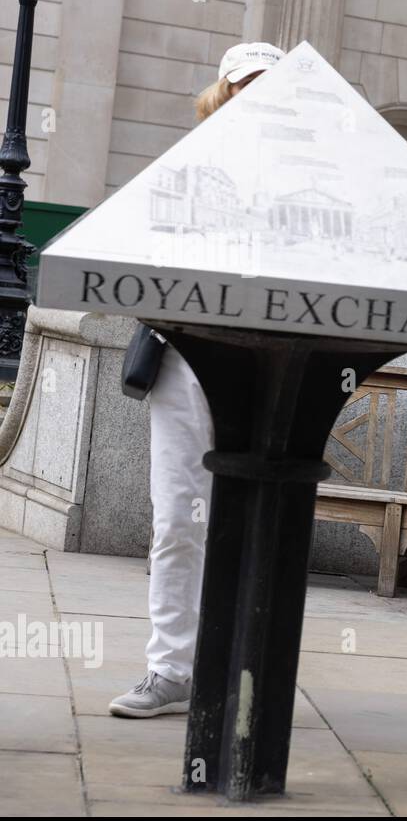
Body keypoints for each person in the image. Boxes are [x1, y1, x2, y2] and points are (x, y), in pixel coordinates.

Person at [110, 42, 285, 718]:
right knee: (177, 517)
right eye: (248, 89)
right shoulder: (186, 171)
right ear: (226, 94)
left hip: (262, 367)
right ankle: (171, 668)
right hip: (185, 361)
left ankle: (243, 661)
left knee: (255, 520)